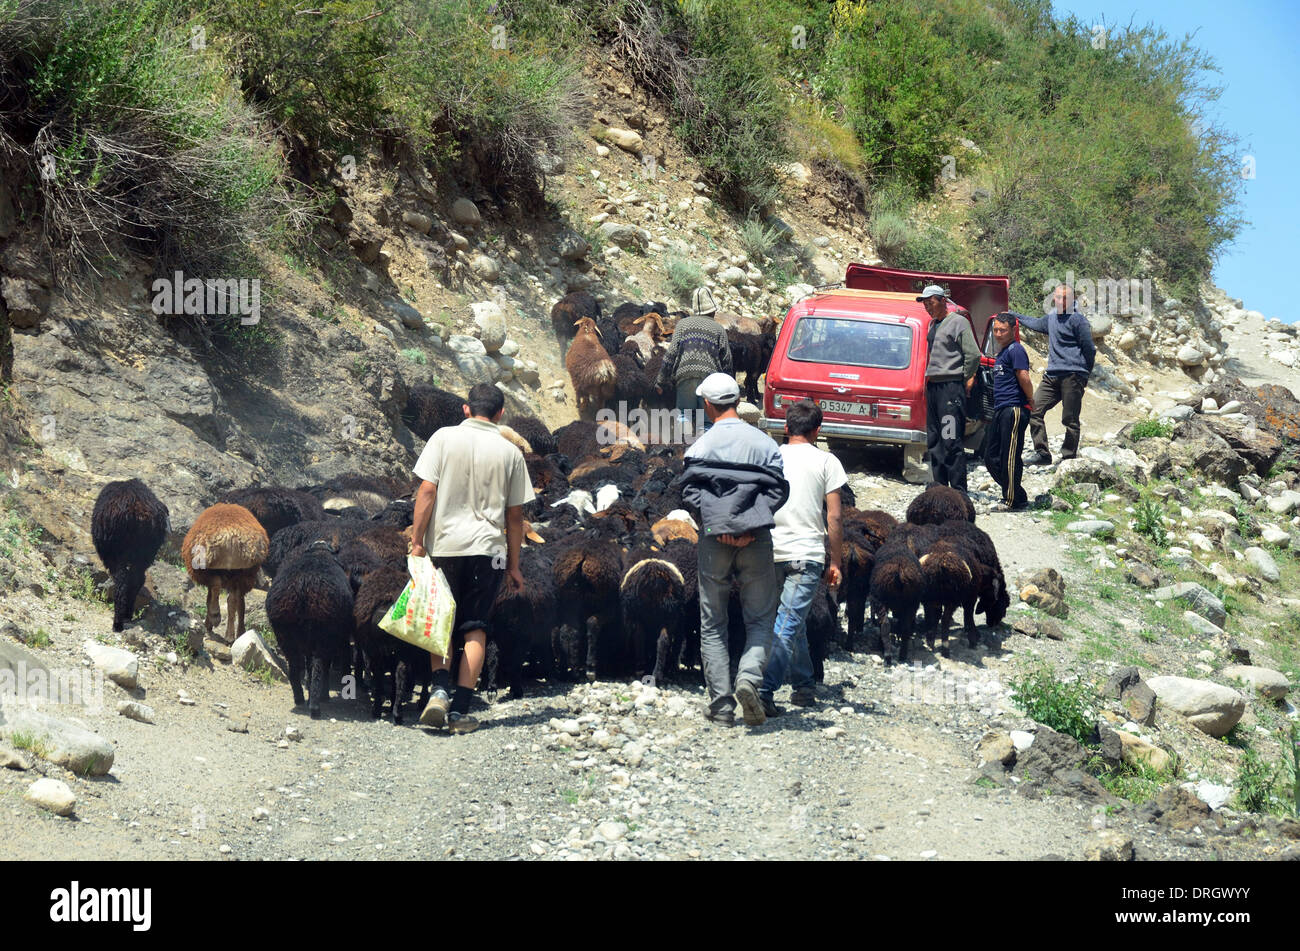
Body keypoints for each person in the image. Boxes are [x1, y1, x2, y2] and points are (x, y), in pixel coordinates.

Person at [410, 383, 532, 734]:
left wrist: (417, 542)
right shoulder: (510, 453)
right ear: (500, 414)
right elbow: (514, 517)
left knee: (441, 619)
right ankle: (461, 711)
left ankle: (438, 691)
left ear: (466, 409)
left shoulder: (443, 438)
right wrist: (513, 565)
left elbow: (427, 491)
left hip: (446, 544)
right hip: (489, 551)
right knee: (475, 626)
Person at [675, 373, 788, 727]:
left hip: (714, 541)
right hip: (757, 540)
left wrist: (718, 524)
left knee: (713, 622)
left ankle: (722, 706)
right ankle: (749, 680)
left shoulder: (699, 447)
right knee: (760, 617)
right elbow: (778, 491)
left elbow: (690, 493)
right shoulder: (766, 444)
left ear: (707, 405)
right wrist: (749, 525)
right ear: (738, 402)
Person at [758, 399, 845, 716]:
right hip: (806, 554)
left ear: (785, 427)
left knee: (788, 623)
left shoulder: (770, 458)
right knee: (789, 623)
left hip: (769, 551)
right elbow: (834, 518)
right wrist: (835, 561)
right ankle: (764, 691)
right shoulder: (827, 462)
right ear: (818, 430)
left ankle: (804, 685)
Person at [1007, 284, 1095, 466]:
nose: (1060, 301)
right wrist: (1013, 314)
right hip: (1052, 375)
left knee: (1070, 419)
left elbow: (1089, 349)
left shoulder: (1078, 320)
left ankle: (1069, 457)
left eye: (1064, 298)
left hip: (1073, 374)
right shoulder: (1052, 318)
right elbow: (1034, 323)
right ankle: (1042, 454)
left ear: (1072, 300)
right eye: (1057, 297)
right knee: (1034, 410)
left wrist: (1084, 374)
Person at [918, 284, 980, 494]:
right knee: (934, 438)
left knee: (950, 438)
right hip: (934, 389)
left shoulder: (958, 322)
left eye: (931, 302)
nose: (927, 307)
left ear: (943, 300)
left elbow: (973, 355)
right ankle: (940, 488)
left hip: (950, 390)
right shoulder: (932, 325)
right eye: (925, 304)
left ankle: (959, 491)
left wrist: (963, 379)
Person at [654, 286, 733, 432]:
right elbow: (726, 361)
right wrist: (729, 387)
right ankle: (705, 450)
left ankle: (684, 448)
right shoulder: (718, 329)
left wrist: (660, 380)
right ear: (712, 309)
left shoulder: (683, 325)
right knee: (708, 421)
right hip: (710, 379)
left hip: (685, 376)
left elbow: (671, 355)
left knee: (684, 415)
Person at [983, 313, 1034, 511]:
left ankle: (1012, 500)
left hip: (1014, 408)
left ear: (1012, 330)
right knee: (990, 456)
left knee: (1010, 456)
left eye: (1002, 330)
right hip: (1000, 409)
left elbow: (1024, 377)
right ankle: (1018, 494)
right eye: (995, 330)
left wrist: (1030, 399)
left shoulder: (1016, 350)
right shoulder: (1002, 353)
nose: (998, 334)